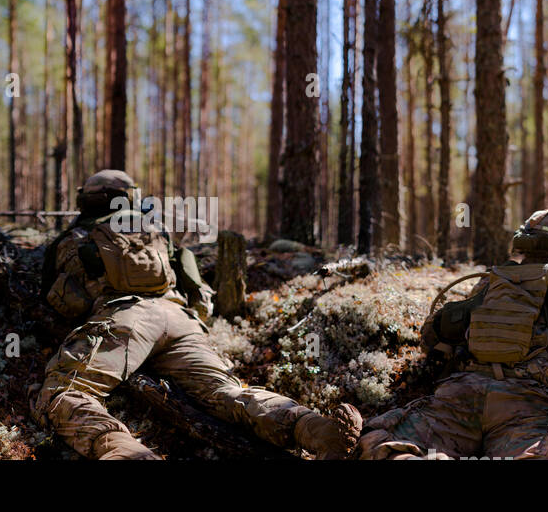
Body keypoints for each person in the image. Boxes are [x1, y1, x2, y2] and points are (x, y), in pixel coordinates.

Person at [33, 169, 362, 460]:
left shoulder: (74, 239)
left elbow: (57, 301)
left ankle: (121, 450)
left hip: (125, 319)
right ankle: (313, 428)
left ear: (87, 201)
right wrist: (196, 319)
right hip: (180, 322)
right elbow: (198, 287)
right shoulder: (156, 233)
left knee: (64, 391)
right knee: (225, 392)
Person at [358, 208, 548, 460]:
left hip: (461, 394)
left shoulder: (493, 280)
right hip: (529, 405)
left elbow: (433, 337)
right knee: (540, 452)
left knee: (384, 446)